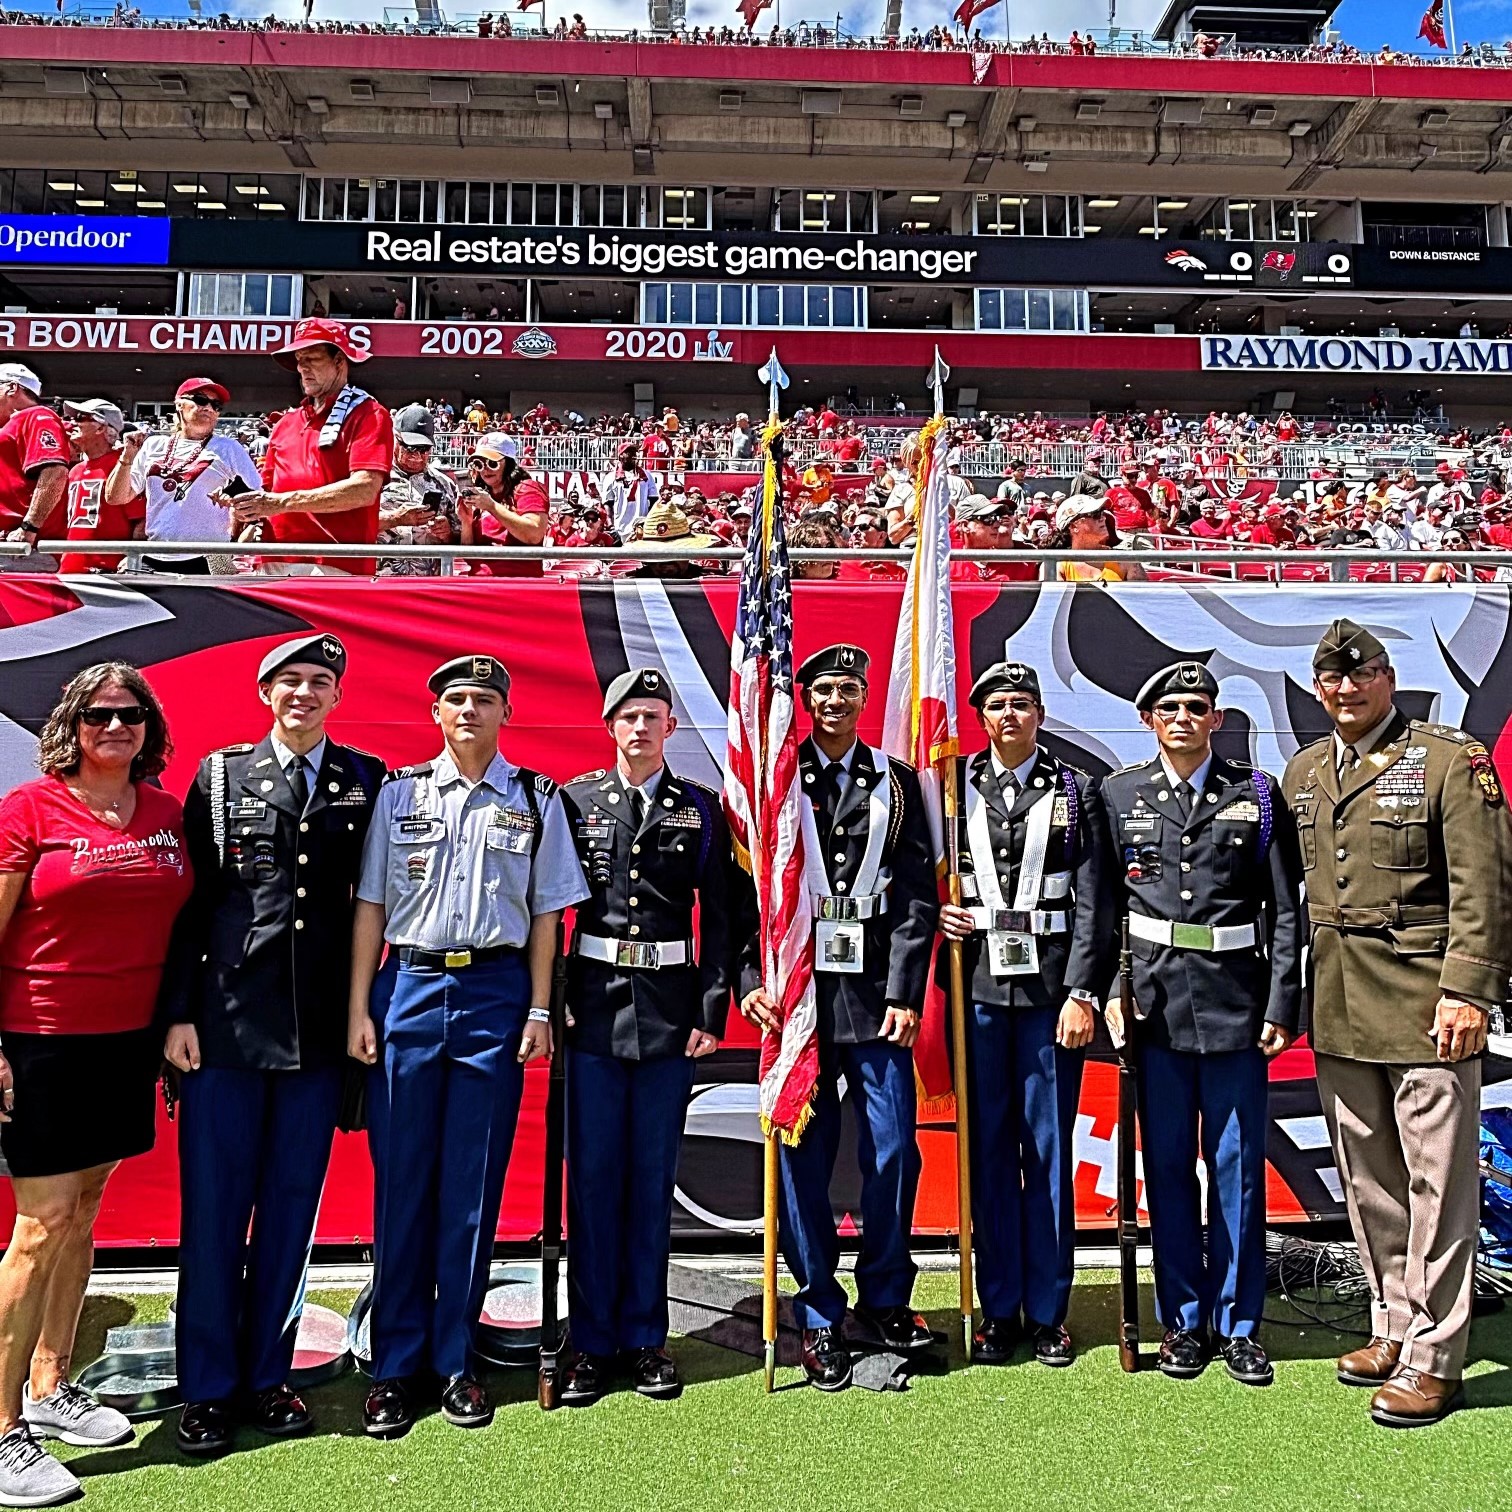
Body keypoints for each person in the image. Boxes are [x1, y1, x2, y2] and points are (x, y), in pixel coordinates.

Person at [348, 655, 589, 1437]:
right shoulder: (398, 795)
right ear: (436, 713)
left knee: (472, 1187)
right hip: (409, 988)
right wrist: (361, 1006)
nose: (469, 711)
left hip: (494, 993)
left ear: (505, 713)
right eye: (455, 699)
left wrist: (540, 1009)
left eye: (484, 700)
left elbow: (549, 916)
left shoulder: (536, 797)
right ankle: (394, 1367)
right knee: (402, 1186)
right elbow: (371, 907)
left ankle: (455, 1361)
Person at [1282, 621, 1512, 1427]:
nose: (1347, 690)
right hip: (1340, 1005)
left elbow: (1484, 890)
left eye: (1363, 675)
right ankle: (1393, 1324)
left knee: (1439, 1189)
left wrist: (1468, 994)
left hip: (1426, 1007)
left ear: (1388, 678)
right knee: (1372, 1186)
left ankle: (1435, 1357)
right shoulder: (1305, 772)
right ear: (1318, 689)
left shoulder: (1451, 762)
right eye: (1332, 680)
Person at [161, 634, 385, 1456]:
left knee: (291, 1216)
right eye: (289, 681)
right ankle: (209, 1390)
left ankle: (268, 1376)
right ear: (264, 693)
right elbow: (191, 906)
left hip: (318, 1036)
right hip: (223, 1029)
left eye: (319, 682)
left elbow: (374, 905)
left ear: (337, 695)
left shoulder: (366, 780)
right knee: (215, 1216)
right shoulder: (220, 778)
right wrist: (178, 1016)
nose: (304, 693)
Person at [0, 663, 190, 1507]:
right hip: (40, 1040)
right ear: (71, 727)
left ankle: (49, 1387)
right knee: (38, 1227)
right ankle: (2, 1434)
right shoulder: (28, 810)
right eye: (99, 715)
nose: (116, 727)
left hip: (127, 1041)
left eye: (131, 714)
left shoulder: (166, 812)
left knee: (84, 1211)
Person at [738, 645, 939, 1391]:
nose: (834, 701)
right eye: (821, 690)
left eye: (848, 689)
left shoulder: (896, 780)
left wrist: (906, 993)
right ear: (804, 700)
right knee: (802, 1160)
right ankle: (820, 1308)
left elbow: (918, 896)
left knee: (895, 1151)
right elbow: (744, 895)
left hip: (876, 993)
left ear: (862, 698)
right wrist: (755, 979)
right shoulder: (776, 783)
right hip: (800, 997)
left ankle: (885, 1295)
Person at [1099, 663, 1302, 1386]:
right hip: (1152, 1011)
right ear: (1148, 719)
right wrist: (1102, 994)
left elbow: (1285, 911)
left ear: (1217, 719)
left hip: (1236, 1008)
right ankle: (1184, 1320)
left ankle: (1240, 1325)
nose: (1183, 717)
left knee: (1238, 1174)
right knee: (1170, 1176)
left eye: (1197, 707)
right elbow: (1100, 908)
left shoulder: (1256, 793)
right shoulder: (1118, 794)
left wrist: (1283, 1004)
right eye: (1169, 707)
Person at [556, 669, 733, 1406]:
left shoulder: (700, 809)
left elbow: (724, 915)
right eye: (627, 716)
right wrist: (552, 1000)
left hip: (667, 1014)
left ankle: (645, 1336)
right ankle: (591, 1342)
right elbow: (548, 910)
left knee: (650, 1180)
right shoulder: (573, 802)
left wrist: (713, 1008)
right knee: (593, 1182)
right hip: (594, 1010)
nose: (640, 729)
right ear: (609, 726)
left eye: (652, 717)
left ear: (670, 728)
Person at [935, 662, 1110, 1368]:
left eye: (1022, 704)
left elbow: (1098, 902)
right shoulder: (950, 787)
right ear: (981, 716)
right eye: (997, 705)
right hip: (975, 992)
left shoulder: (1076, 790)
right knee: (987, 1152)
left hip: (1047, 997)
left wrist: (1083, 993)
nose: (1009, 715)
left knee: (1046, 1154)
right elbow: (916, 876)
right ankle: (998, 1307)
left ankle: (1048, 1310)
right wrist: (938, 908)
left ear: (1039, 713)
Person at [226, 318, 392, 575]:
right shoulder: (285, 422)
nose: (301, 368)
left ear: (339, 361)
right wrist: (242, 502)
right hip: (273, 559)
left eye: (311, 359)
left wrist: (280, 503)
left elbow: (365, 489)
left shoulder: (369, 414)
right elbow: (267, 492)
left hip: (335, 563)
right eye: (298, 360)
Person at [106, 377, 259, 575]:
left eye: (216, 405)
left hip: (211, 556)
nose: (209, 408)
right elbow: (116, 497)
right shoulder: (154, 445)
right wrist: (127, 457)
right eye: (201, 400)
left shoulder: (229, 448)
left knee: (213, 606)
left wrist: (234, 503)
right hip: (155, 553)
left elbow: (258, 499)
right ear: (179, 404)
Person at [58, 400, 144, 576]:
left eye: (81, 417)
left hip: (107, 573)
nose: (73, 422)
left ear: (101, 428)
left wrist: (133, 556)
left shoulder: (124, 465)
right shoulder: (75, 469)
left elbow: (141, 520)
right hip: (70, 569)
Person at [376, 405, 460, 579]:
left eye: (424, 450)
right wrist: (395, 519)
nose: (417, 457)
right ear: (394, 439)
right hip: (380, 582)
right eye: (410, 448)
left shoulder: (445, 484)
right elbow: (351, 525)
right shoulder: (373, 479)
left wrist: (447, 533)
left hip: (427, 586)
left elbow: (461, 540)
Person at [0, 363, 69, 573]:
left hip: (20, 549)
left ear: (12, 388)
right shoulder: (12, 424)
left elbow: (55, 473)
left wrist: (29, 527)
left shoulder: (37, 416)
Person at [458, 434, 549, 577]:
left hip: (517, 585)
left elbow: (534, 534)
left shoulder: (526, 488)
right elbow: (469, 557)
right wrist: (466, 522)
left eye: (492, 463)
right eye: (479, 464)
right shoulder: (481, 497)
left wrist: (492, 507)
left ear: (508, 464)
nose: (485, 470)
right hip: (480, 584)